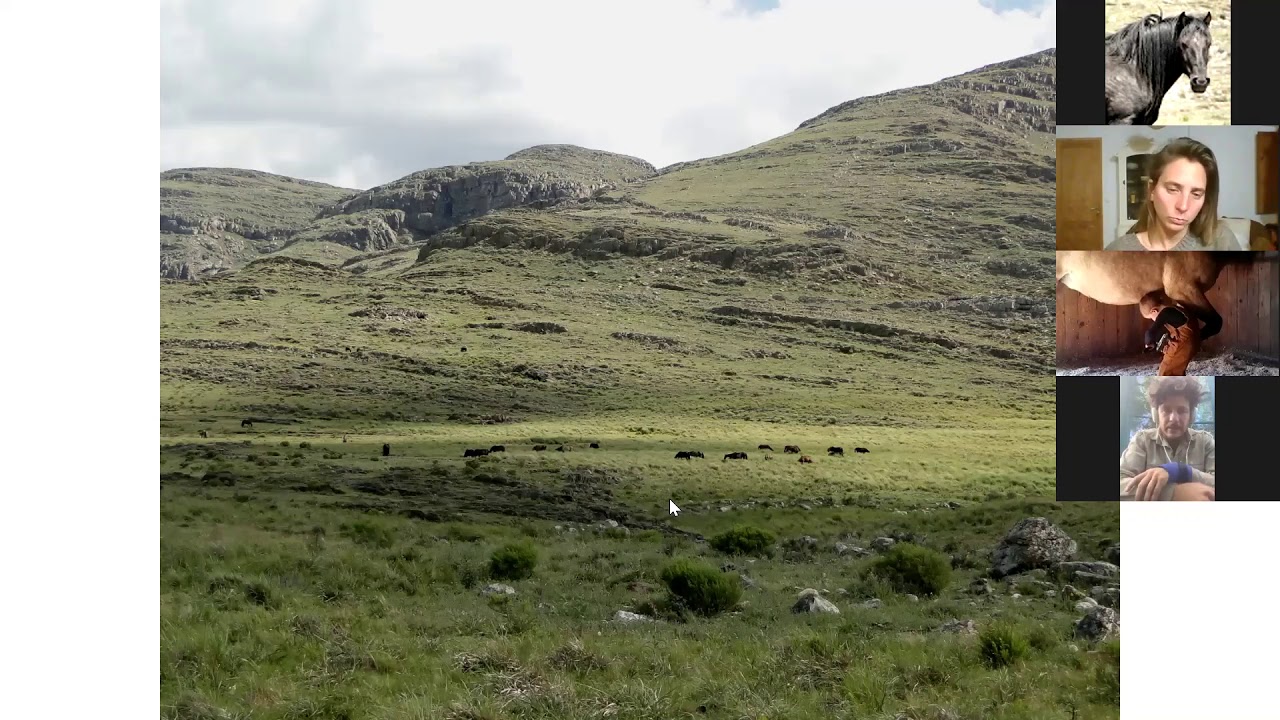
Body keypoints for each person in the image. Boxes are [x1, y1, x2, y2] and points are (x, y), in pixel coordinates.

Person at [1105, 137, 1242, 251]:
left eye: (1196, 194)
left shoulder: (1222, 241)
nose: (1183, 206)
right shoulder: (1117, 250)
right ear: (1152, 190)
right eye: (1173, 189)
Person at [1120, 376, 1215, 501]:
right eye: (1166, 410)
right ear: (1156, 414)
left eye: (1181, 411)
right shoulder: (1142, 441)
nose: (1173, 419)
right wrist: (1174, 493)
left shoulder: (1205, 442)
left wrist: (1184, 471)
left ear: (1192, 415)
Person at [1138, 290, 1203, 376]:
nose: (1153, 320)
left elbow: (1150, 333)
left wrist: (1148, 345)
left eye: (1151, 318)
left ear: (1154, 311)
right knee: (1177, 369)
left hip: (1183, 344)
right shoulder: (1175, 309)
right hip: (1193, 342)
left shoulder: (1165, 313)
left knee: (1165, 371)